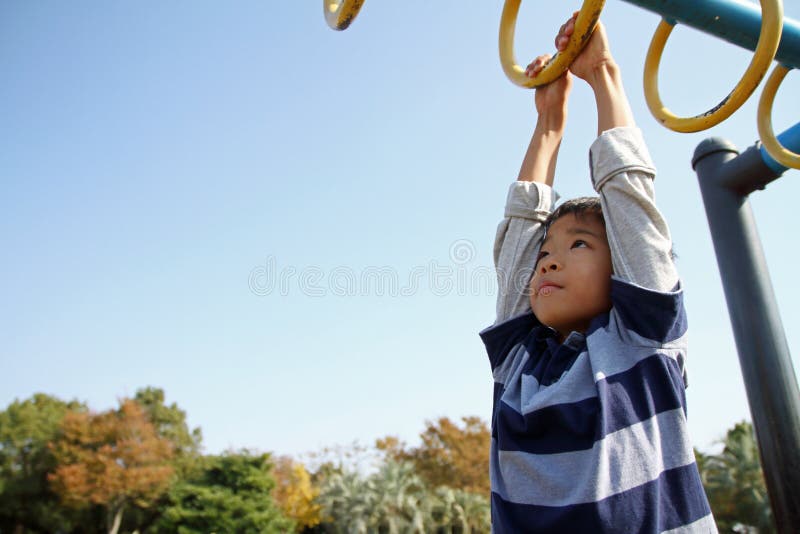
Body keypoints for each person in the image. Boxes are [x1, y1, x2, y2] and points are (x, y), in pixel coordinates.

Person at [479, 13, 716, 533]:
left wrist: (604, 73)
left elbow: (630, 201)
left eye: (578, 243)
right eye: (546, 252)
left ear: (624, 269)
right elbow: (520, 237)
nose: (548, 259)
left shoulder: (640, 339)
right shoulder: (518, 366)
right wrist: (548, 124)